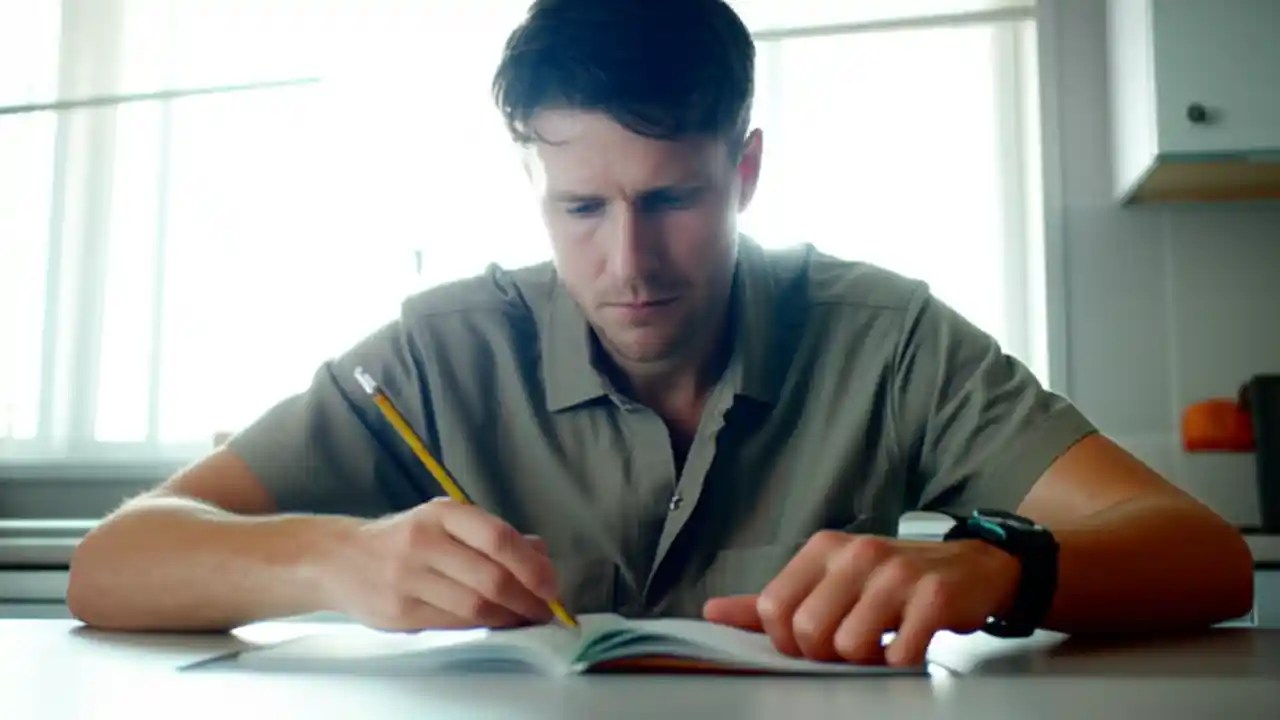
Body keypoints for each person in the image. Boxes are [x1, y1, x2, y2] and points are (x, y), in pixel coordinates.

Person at [67, 0, 1252, 667]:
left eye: (672, 200)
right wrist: (335, 559)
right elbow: (113, 561)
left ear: (741, 170)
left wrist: (995, 562)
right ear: (531, 180)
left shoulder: (886, 337)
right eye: (579, 208)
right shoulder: (439, 349)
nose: (626, 264)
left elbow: (1203, 553)